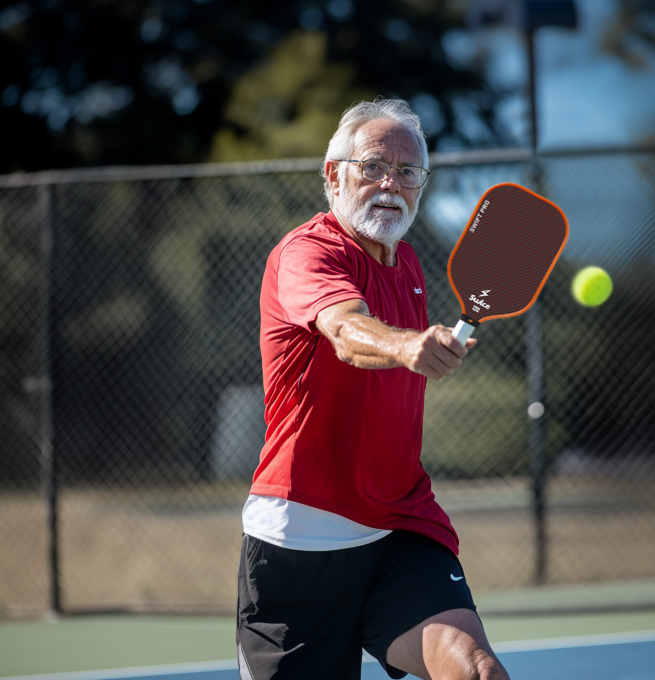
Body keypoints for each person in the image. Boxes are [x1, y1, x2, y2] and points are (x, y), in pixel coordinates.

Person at [237, 98, 510, 680]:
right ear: (334, 175)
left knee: (478, 672)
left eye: (408, 172)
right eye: (373, 167)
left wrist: (415, 347)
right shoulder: (307, 252)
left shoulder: (407, 263)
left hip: (399, 527)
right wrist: (406, 347)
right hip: (300, 543)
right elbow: (344, 329)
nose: (391, 184)